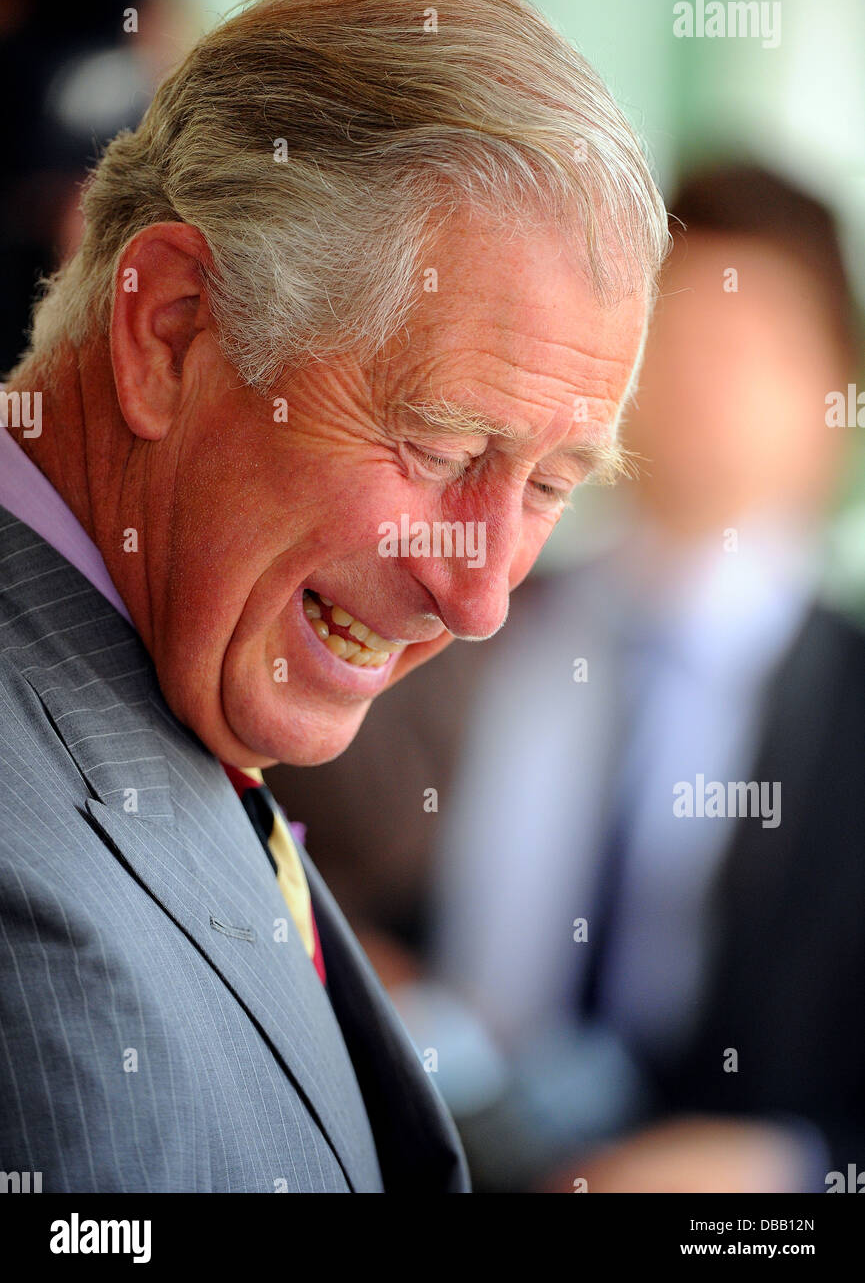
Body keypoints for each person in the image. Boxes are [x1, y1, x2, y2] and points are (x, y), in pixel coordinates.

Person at [0, 0, 665, 1192]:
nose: (480, 598)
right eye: (443, 446)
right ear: (172, 328)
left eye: (549, 487)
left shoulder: (162, 678)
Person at [273, 164, 865, 1193]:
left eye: (748, 346)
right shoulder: (461, 615)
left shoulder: (849, 702)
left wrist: (790, 1168)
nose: (697, 382)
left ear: (836, 400)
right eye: (668, 339)